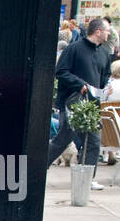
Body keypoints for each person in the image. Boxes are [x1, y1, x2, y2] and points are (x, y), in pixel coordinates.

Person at [46, 17, 112, 193]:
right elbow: (60, 72)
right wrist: (80, 85)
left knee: (93, 141)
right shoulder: (74, 49)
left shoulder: (104, 52)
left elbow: (105, 75)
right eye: (107, 31)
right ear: (98, 31)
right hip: (71, 103)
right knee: (63, 139)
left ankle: (87, 178)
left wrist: (106, 87)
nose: (109, 33)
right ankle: (38, 169)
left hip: (92, 105)